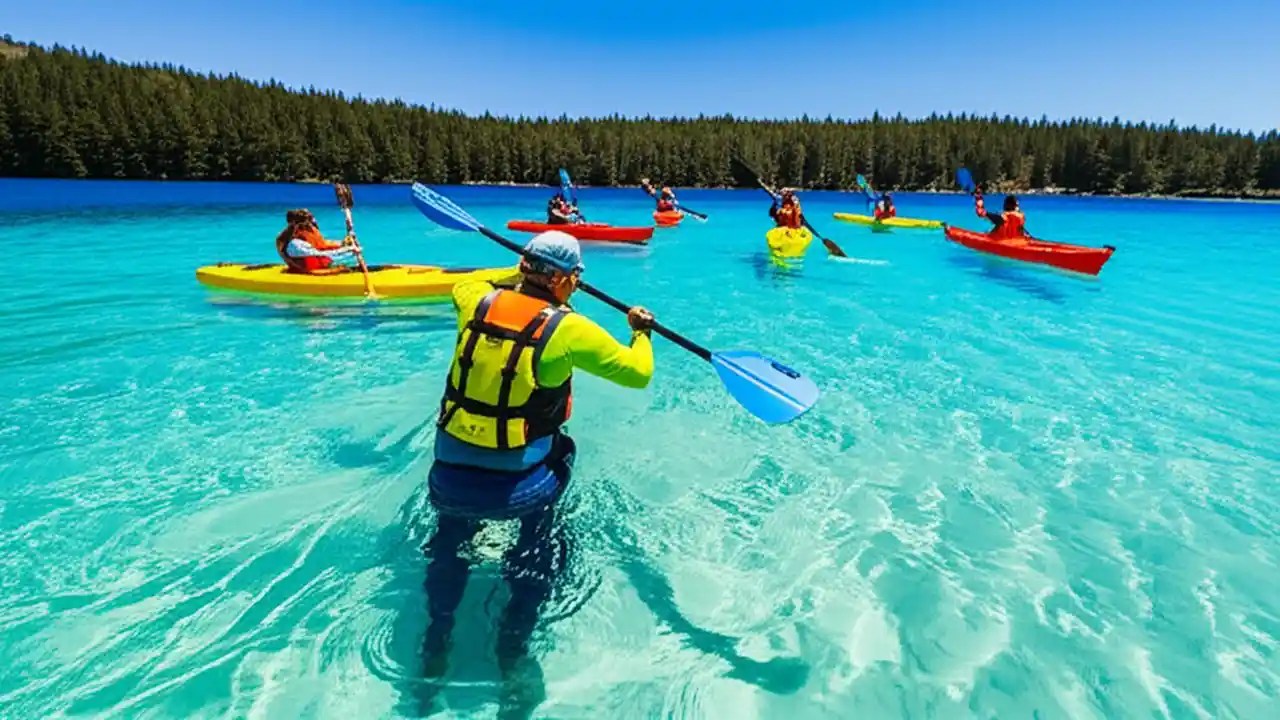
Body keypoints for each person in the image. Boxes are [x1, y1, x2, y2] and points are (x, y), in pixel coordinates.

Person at [421, 230, 655, 716]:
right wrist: (640, 331)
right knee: (543, 533)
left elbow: (477, 279)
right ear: (566, 280)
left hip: (447, 480)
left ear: (523, 269)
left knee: (451, 537)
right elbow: (638, 374)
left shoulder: (474, 300)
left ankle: (437, 635)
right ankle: (512, 645)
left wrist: (525, 270)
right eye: (573, 280)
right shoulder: (569, 329)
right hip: (521, 490)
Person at [274, 208, 358, 273]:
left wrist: (344, 243)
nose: (313, 225)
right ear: (300, 227)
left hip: (319, 265)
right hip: (307, 271)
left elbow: (322, 245)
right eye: (310, 222)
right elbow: (318, 253)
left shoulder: (306, 232)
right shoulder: (295, 244)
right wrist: (348, 250)